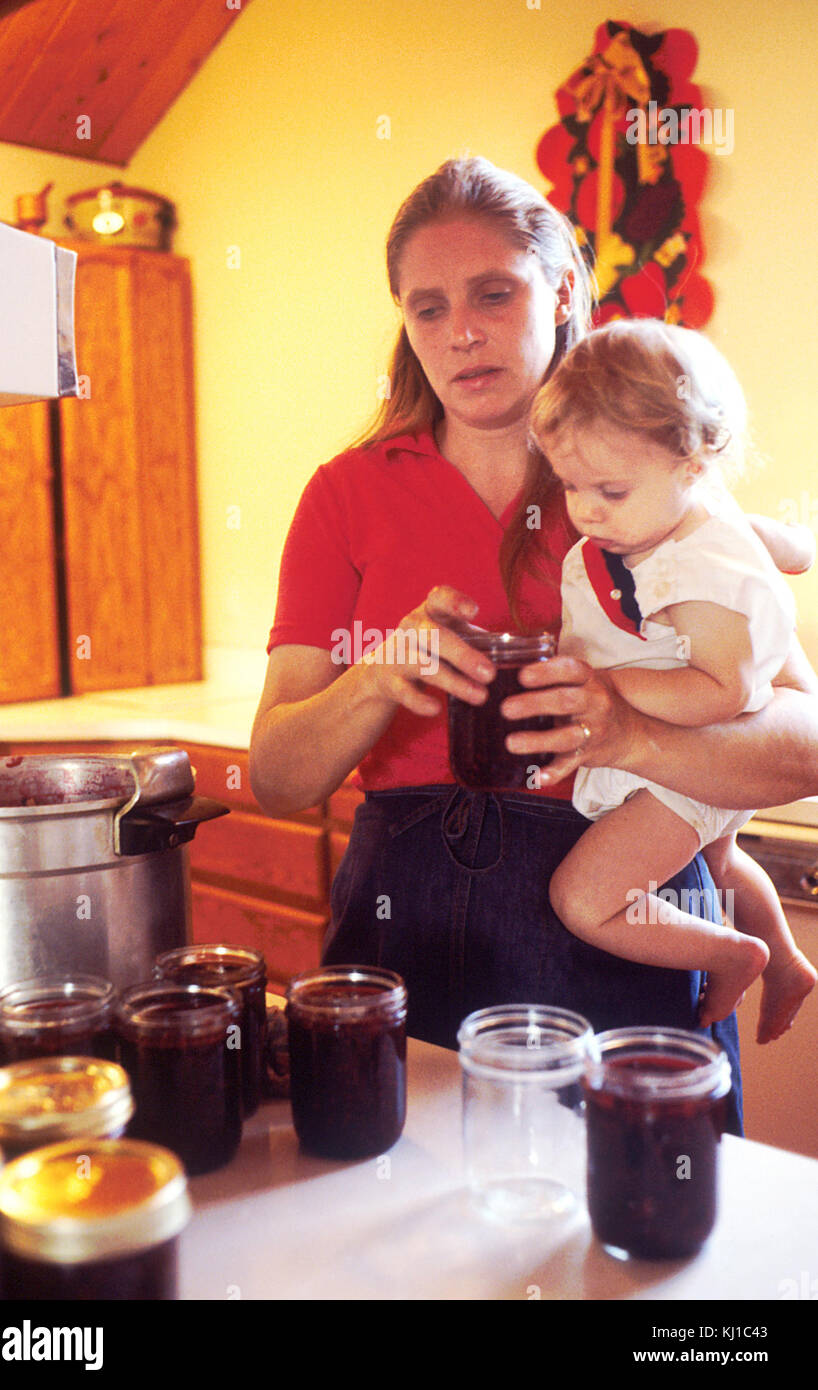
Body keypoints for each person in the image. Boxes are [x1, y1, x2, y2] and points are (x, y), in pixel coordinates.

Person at [249, 157, 818, 1135]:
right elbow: (272, 777)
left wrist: (627, 732)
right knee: (398, 1236)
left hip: (615, 897)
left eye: (492, 292)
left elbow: (800, 741)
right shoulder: (345, 492)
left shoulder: (638, 479)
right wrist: (382, 671)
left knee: (645, 1244)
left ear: (559, 291)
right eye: (426, 308)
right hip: (405, 910)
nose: (460, 330)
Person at [524, 318, 817, 1043]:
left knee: (585, 899)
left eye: (611, 490)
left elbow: (720, 691)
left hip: (681, 763)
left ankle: (733, 953)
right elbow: (795, 549)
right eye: (570, 485)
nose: (586, 510)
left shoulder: (689, 572)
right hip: (703, 771)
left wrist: (608, 687)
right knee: (720, 865)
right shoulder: (702, 520)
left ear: (691, 463)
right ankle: (784, 957)